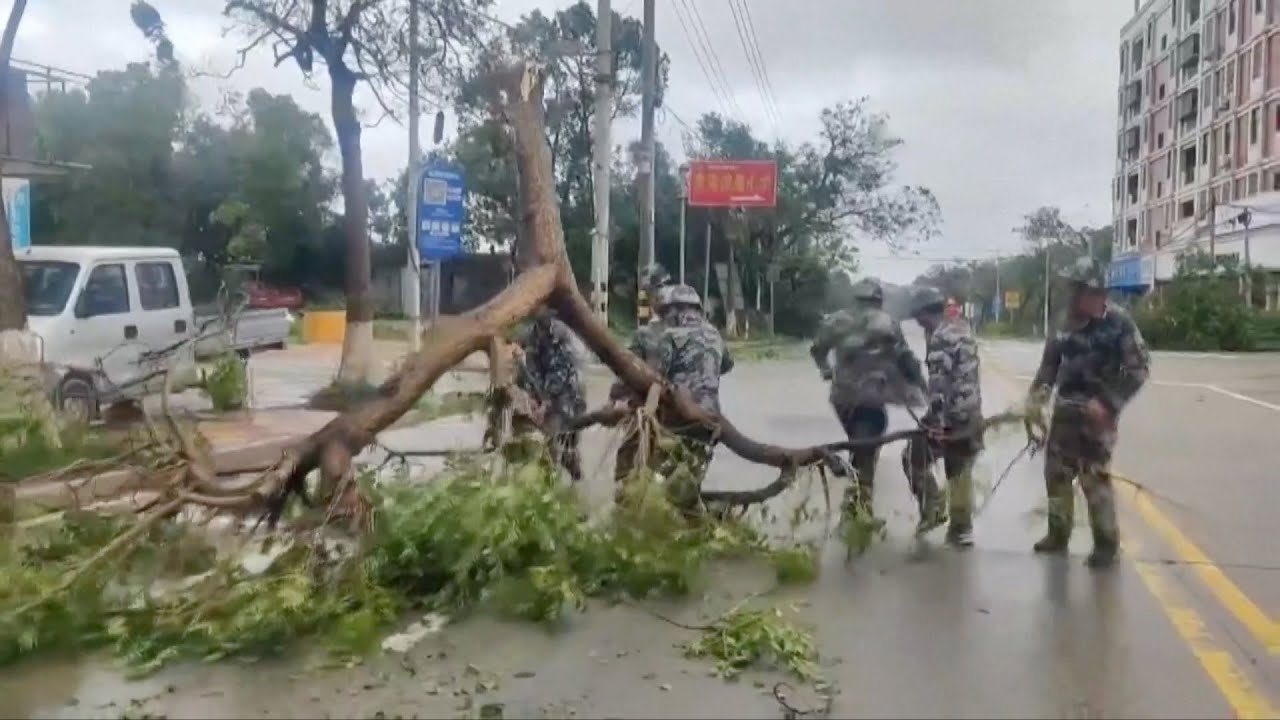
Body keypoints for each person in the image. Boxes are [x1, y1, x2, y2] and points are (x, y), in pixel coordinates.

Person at [1026, 255, 1150, 568]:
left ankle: (1106, 545)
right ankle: (1058, 535)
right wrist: (1034, 405)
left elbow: (1138, 369)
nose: (1083, 298)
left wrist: (1108, 403)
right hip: (1066, 413)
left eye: (1090, 292)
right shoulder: (1062, 323)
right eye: (1078, 292)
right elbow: (1048, 368)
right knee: (1056, 475)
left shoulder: (1119, 323)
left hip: (1099, 417)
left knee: (1094, 479)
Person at [810, 277, 928, 520]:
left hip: (842, 398)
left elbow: (817, 349)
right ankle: (857, 510)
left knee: (859, 443)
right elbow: (905, 358)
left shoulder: (836, 320)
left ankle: (857, 503)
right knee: (866, 448)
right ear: (878, 300)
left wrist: (826, 369)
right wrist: (922, 387)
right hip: (871, 398)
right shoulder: (886, 322)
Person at [613, 284, 734, 505]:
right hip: (710, 424)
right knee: (689, 481)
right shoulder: (715, 334)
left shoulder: (671, 336)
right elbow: (727, 365)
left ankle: (688, 521)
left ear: (676, 310)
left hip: (679, 421)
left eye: (669, 311)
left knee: (657, 481)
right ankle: (699, 521)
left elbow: (658, 379)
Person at [903, 285, 983, 546]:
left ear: (926, 314)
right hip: (971, 413)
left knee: (914, 454)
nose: (917, 321)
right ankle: (961, 531)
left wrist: (936, 421)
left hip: (951, 416)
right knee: (959, 470)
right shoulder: (961, 328)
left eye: (918, 316)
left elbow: (938, 384)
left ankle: (934, 507)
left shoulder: (939, 337)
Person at [516, 307, 587, 481]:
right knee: (538, 430)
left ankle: (564, 462)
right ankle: (550, 464)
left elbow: (561, 372)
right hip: (547, 387)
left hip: (569, 388)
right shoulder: (531, 334)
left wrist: (545, 404)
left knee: (558, 429)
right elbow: (532, 369)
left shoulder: (561, 335)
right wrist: (533, 397)